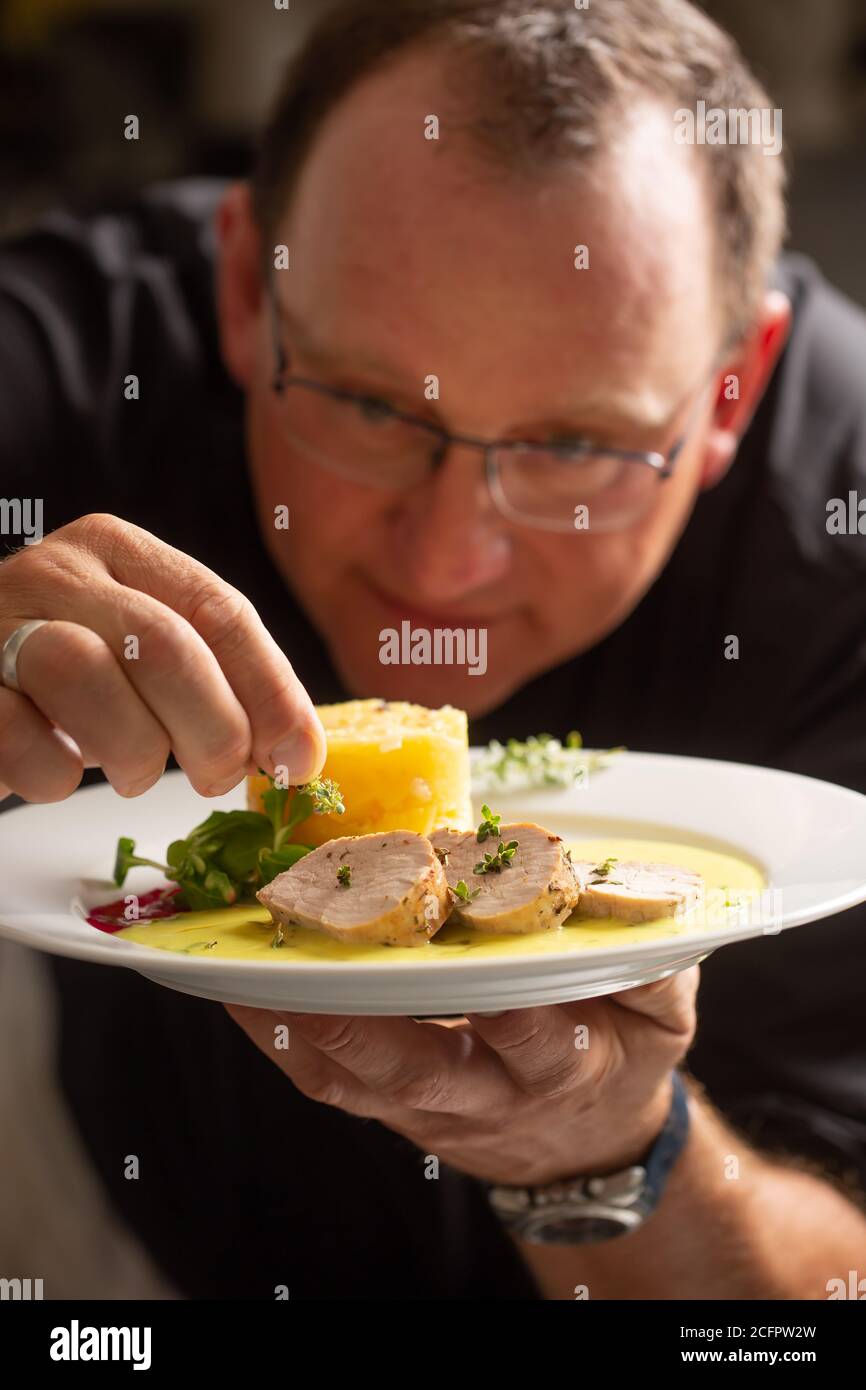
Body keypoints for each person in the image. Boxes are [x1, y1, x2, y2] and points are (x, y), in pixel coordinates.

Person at [1, 0, 865, 1300]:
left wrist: (606, 1151)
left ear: (731, 389)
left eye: (575, 446)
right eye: (362, 403)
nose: (445, 562)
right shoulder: (84, 343)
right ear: (245, 288)